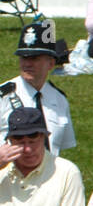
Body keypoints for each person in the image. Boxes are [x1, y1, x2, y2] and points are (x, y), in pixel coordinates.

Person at [2, 20, 75, 156]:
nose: (27, 64)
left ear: (51, 63)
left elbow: (62, 146)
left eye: (34, 58)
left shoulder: (59, 100)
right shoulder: (3, 97)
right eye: (24, 58)